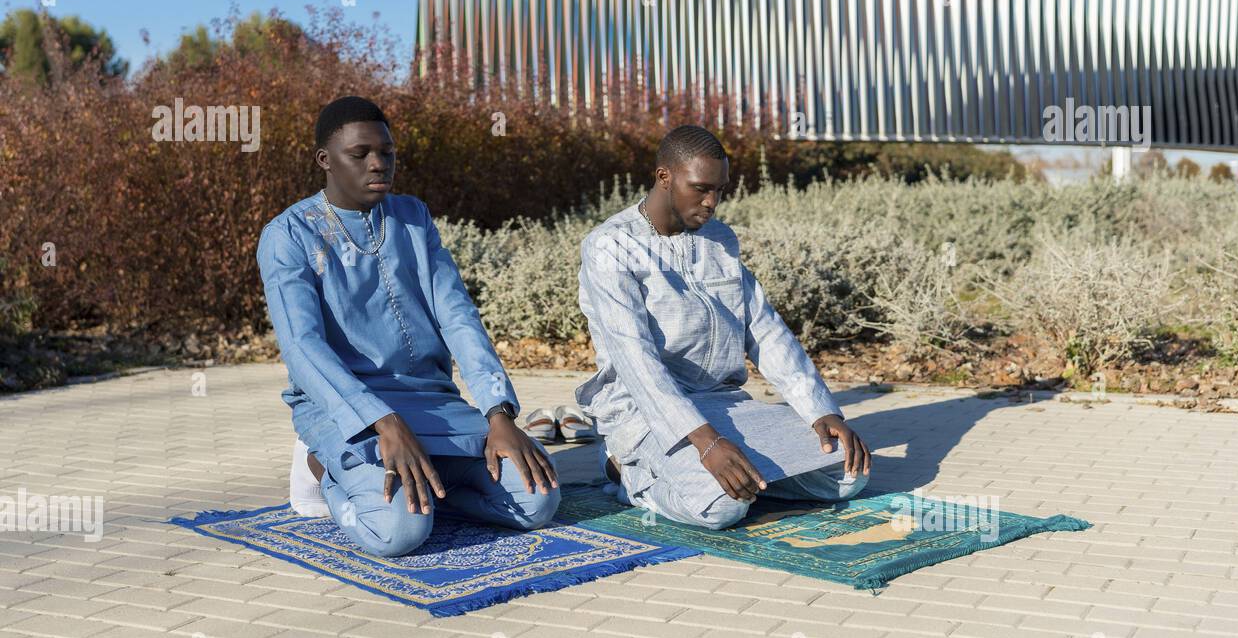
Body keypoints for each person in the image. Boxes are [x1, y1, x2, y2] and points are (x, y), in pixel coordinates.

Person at [256, 96, 559, 558]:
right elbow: (302, 347)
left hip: (432, 402)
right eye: (360, 155)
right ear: (325, 161)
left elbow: (457, 316)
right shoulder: (289, 234)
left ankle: (430, 487)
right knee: (399, 534)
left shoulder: (413, 217)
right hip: (347, 412)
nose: (379, 164)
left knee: (538, 499)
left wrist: (498, 413)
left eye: (388, 152)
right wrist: (381, 421)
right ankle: (321, 467)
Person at [575, 125, 871, 530]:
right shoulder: (610, 246)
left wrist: (820, 410)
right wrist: (706, 442)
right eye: (701, 188)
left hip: (725, 404)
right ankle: (629, 473)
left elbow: (765, 329)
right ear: (665, 177)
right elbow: (635, 361)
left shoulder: (719, 239)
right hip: (645, 410)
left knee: (849, 472)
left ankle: (743, 478)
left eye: (720, 190)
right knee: (721, 507)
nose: (712, 202)